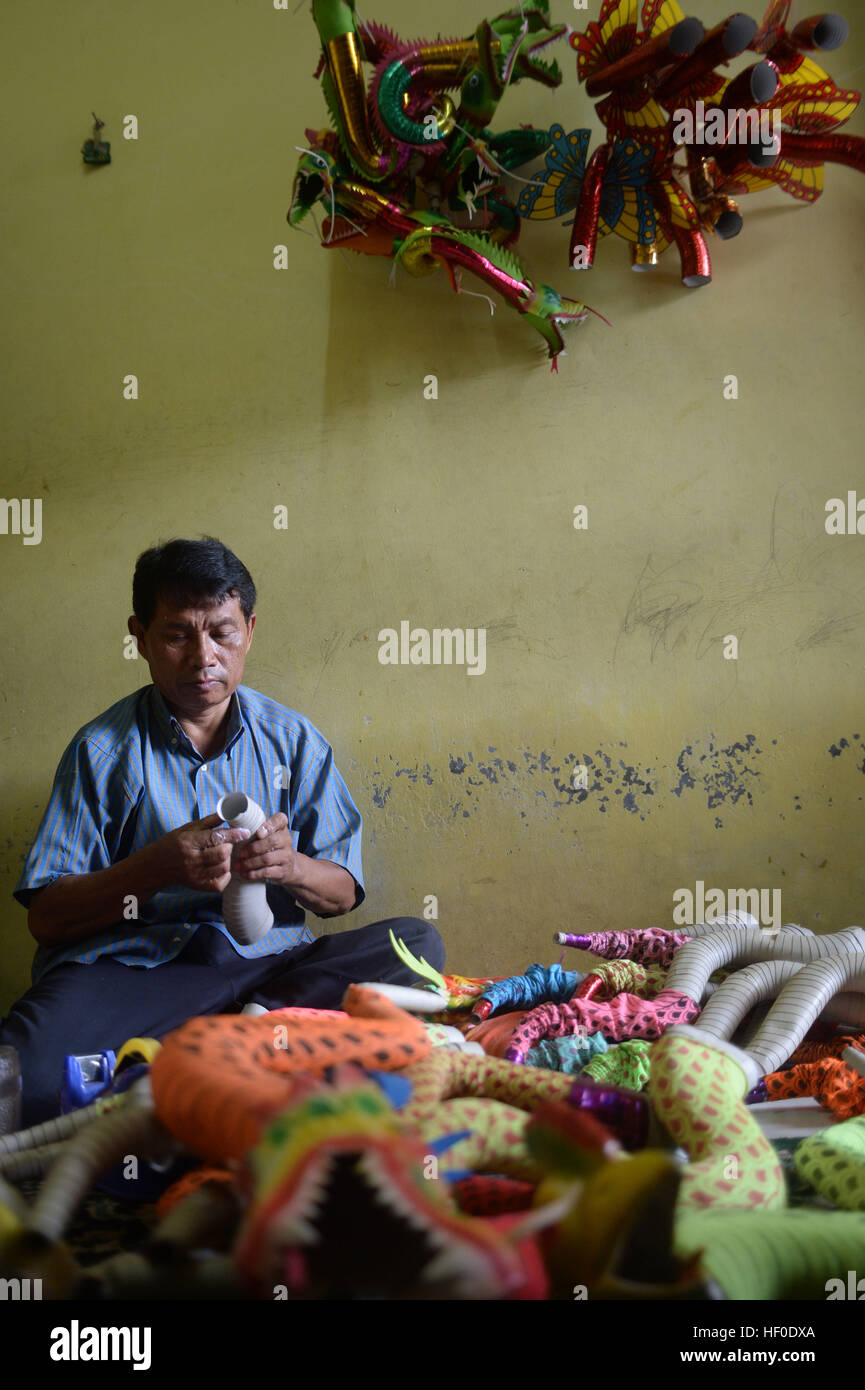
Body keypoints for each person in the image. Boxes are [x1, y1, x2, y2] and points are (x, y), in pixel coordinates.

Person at [1, 537, 444, 1125]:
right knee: (18, 1072)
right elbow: (48, 918)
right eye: (178, 634)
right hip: (139, 972)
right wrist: (157, 866)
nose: (203, 656)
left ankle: (229, 1037)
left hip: (265, 968)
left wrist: (291, 867)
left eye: (222, 632)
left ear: (250, 630)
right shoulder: (102, 751)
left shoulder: (294, 740)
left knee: (415, 947)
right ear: (140, 637)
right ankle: (243, 1044)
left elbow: (341, 895)